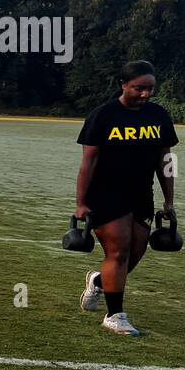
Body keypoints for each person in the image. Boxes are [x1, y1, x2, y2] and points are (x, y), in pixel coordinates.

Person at [75, 60, 179, 336]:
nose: (145, 94)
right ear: (123, 85)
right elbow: (89, 162)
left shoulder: (159, 116)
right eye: (139, 88)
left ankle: (99, 281)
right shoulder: (104, 115)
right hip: (106, 193)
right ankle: (115, 315)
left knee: (134, 252)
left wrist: (169, 201)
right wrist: (81, 203)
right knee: (118, 251)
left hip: (142, 193)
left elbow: (166, 160)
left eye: (150, 89)